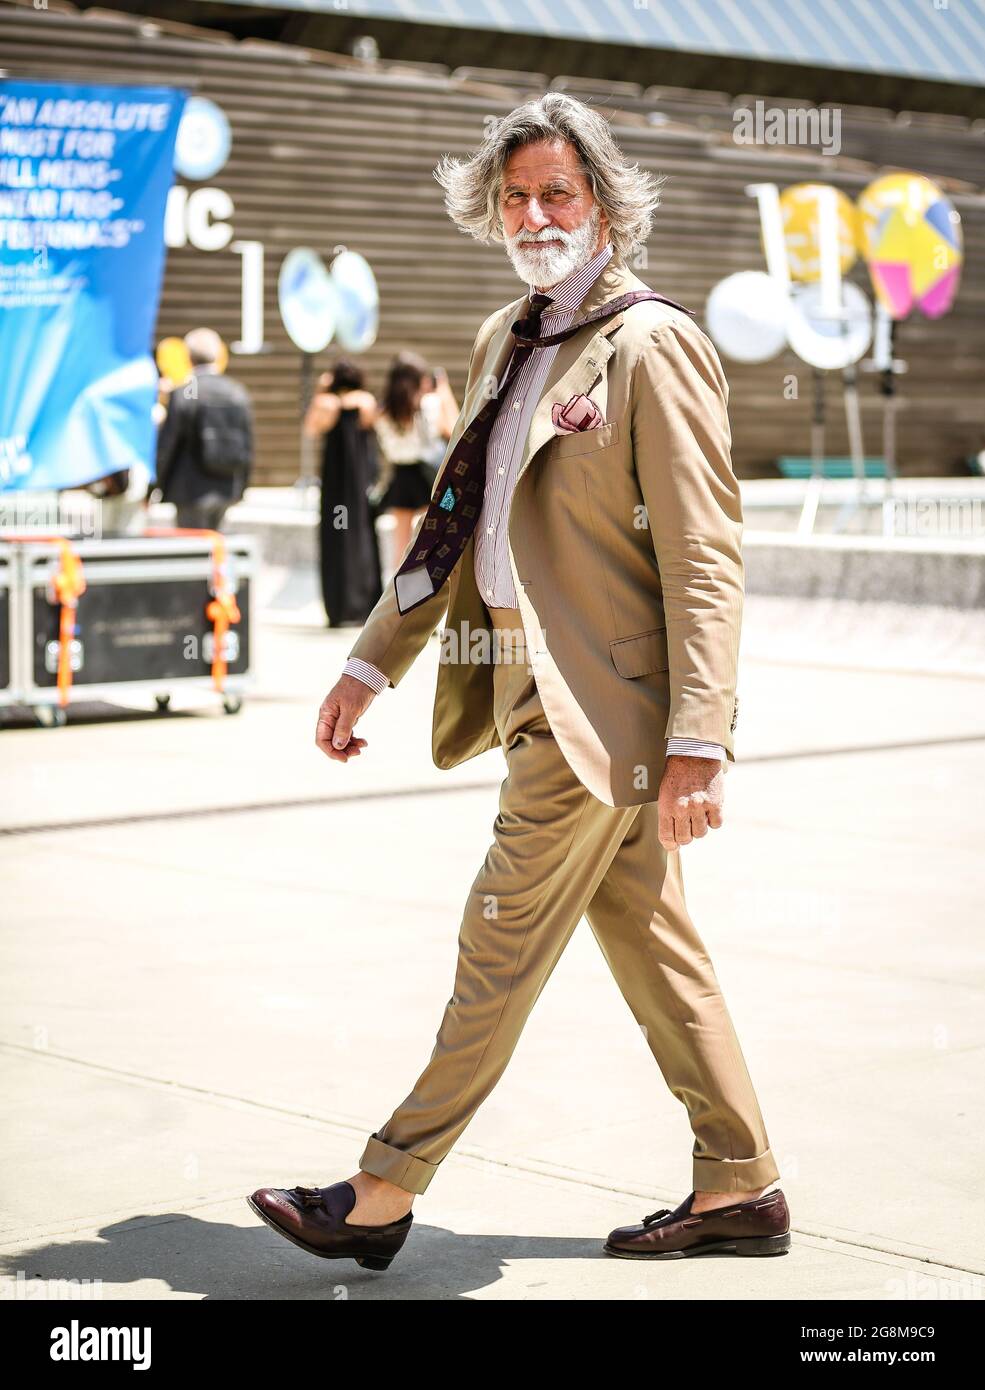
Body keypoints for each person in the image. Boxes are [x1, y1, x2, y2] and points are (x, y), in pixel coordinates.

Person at [249, 93, 789, 1268]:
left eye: (557, 193)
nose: (535, 215)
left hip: (599, 708)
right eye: (514, 198)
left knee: (495, 942)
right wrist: (367, 663)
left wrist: (701, 734)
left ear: (602, 201)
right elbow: (454, 518)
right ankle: (739, 1183)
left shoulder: (651, 342)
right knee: (654, 942)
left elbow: (704, 553)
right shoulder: (507, 338)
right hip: (516, 685)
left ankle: (382, 1190)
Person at [304, 359, 383, 627]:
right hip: (359, 482)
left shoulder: (327, 403)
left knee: (336, 538)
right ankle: (363, 605)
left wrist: (321, 390)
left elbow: (311, 428)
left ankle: (339, 607)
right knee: (361, 537)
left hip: (336, 484)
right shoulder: (365, 401)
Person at [154, 327, 254, 531]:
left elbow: (168, 445)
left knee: (193, 555)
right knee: (217, 552)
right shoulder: (237, 392)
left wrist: (154, 488)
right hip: (227, 488)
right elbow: (248, 445)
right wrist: (241, 488)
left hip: (190, 490)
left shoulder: (186, 393)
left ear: (188, 357)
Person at [374, 353, 459, 570]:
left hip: (400, 477)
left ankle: (397, 595)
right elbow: (453, 429)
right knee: (429, 538)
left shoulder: (383, 411)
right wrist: (444, 391)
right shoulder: (430, 405)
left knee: (400, 546)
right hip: (426, 475)